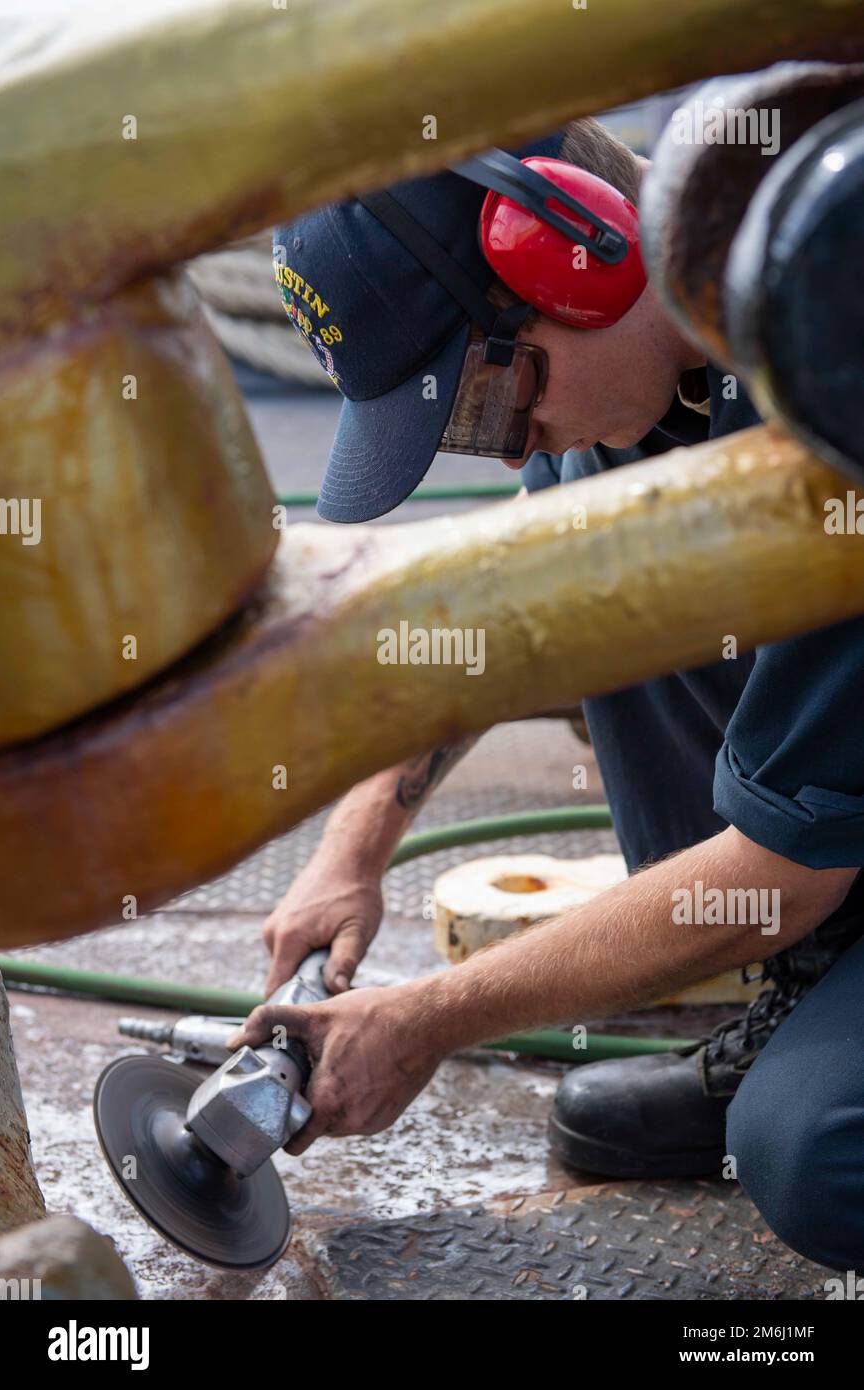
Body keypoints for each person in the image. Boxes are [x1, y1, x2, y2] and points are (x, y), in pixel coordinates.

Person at [230, 117, 864, 1272]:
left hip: (803, 875)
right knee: (593, 557)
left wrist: (423, 1018)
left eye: (480, 410)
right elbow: (516, 603)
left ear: (562, 251)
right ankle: (821, 995)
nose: (510, 439)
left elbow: (778, 878)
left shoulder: (828, 356)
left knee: (817, 1150)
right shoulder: (653, 359)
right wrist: (353, 844)